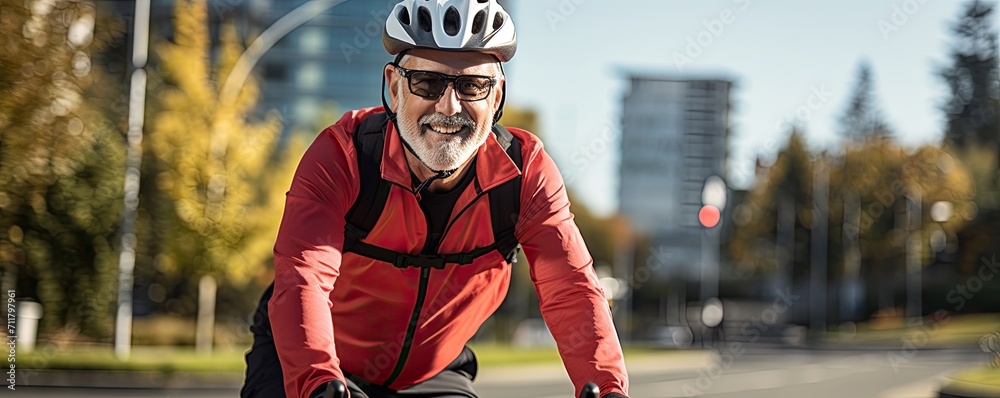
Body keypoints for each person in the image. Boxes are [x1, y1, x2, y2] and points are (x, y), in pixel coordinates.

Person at [240, 1, 630, 397]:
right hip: (311, 362)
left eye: (472, 86)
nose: (449, 106)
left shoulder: (525, 173)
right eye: (427, 83)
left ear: (496, 97)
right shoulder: (344, 156)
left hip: (431, 373)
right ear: (394, 88)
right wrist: (318, 382)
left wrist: (608, 387)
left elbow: (570, 289)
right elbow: (303, 278)